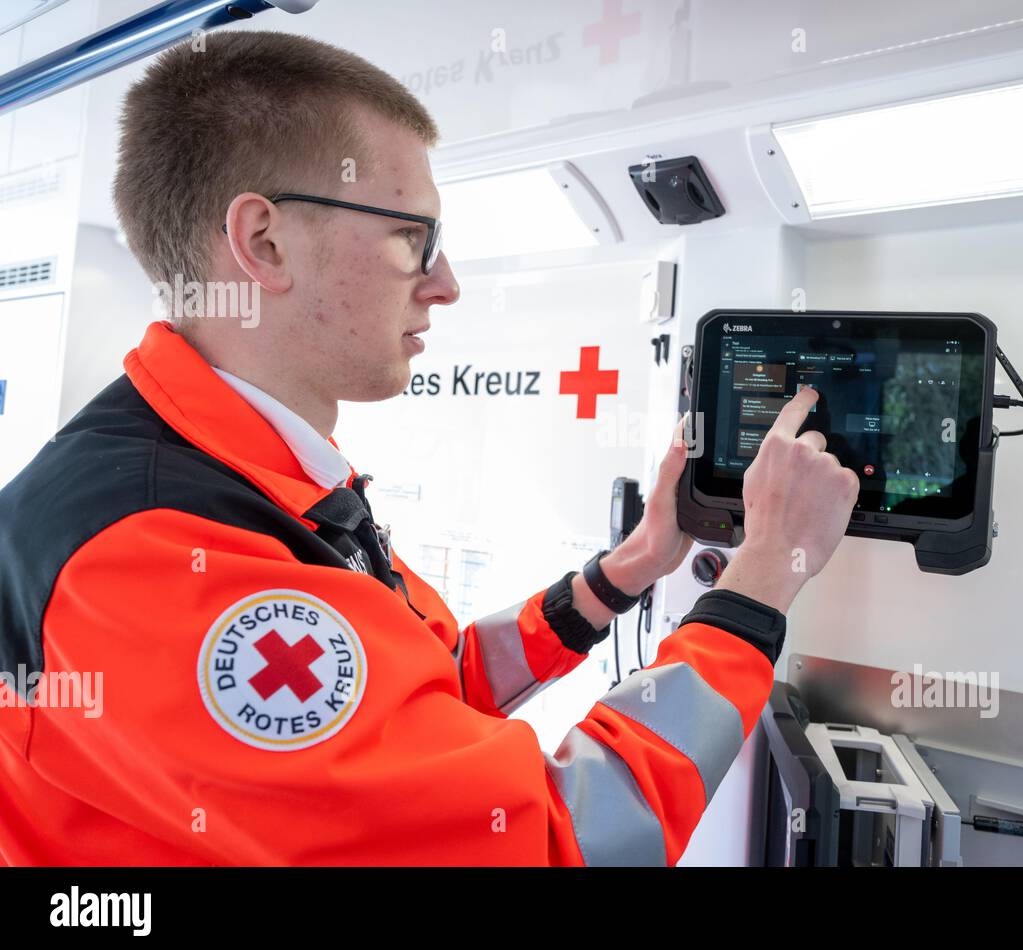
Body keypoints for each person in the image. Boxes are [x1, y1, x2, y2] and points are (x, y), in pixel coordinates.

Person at [0, 31, 858, 865]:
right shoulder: (150, 556)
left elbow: (430, 679)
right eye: (417, 238)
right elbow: (555, 841)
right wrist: (759, 585)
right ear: (264, 243)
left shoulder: (258, 477)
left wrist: (624, 571)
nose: (445, 285)